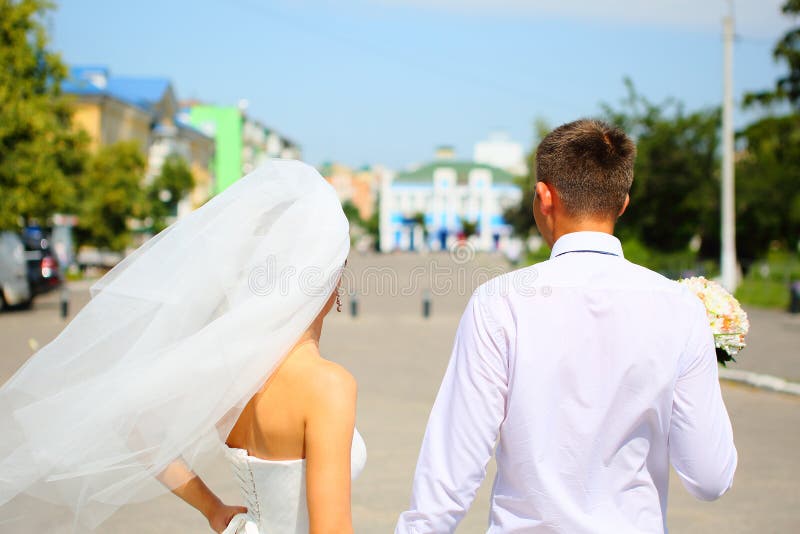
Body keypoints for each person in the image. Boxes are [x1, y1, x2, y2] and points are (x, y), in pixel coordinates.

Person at [396, 119, 737, 533]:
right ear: (623, 202)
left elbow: (450, 474)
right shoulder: (680, 308)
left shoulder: (500, 302)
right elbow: (710, 477)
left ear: (544, 197)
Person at [0, 160, 365, 533]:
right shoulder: (328, 387)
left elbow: (131, 420)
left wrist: (213, 509)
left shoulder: (230, 367)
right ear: (331, 279)